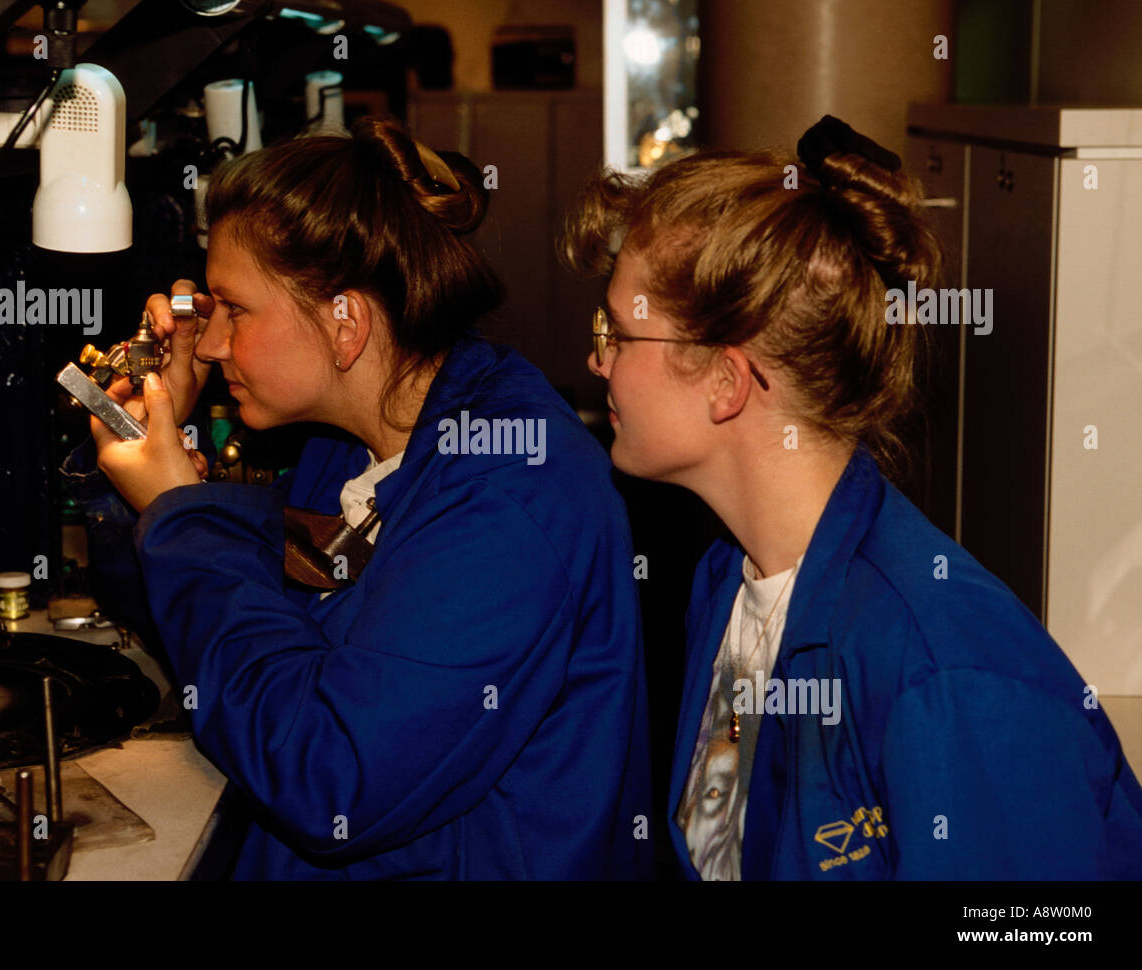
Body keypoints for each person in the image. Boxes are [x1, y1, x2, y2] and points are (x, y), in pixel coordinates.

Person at [63, 115, 654, 879]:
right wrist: (160, 463)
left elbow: (329, 778)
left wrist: (183, 516)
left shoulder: (508, 498)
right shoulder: (353, 442)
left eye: (234, 310)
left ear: (346, 323)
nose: (208, 345)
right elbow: (228, 651)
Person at [559, 114, 1142, 879]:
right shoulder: (727, 582)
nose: (596, 361)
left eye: (619, 333)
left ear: (727, 382)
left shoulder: (950, 675)